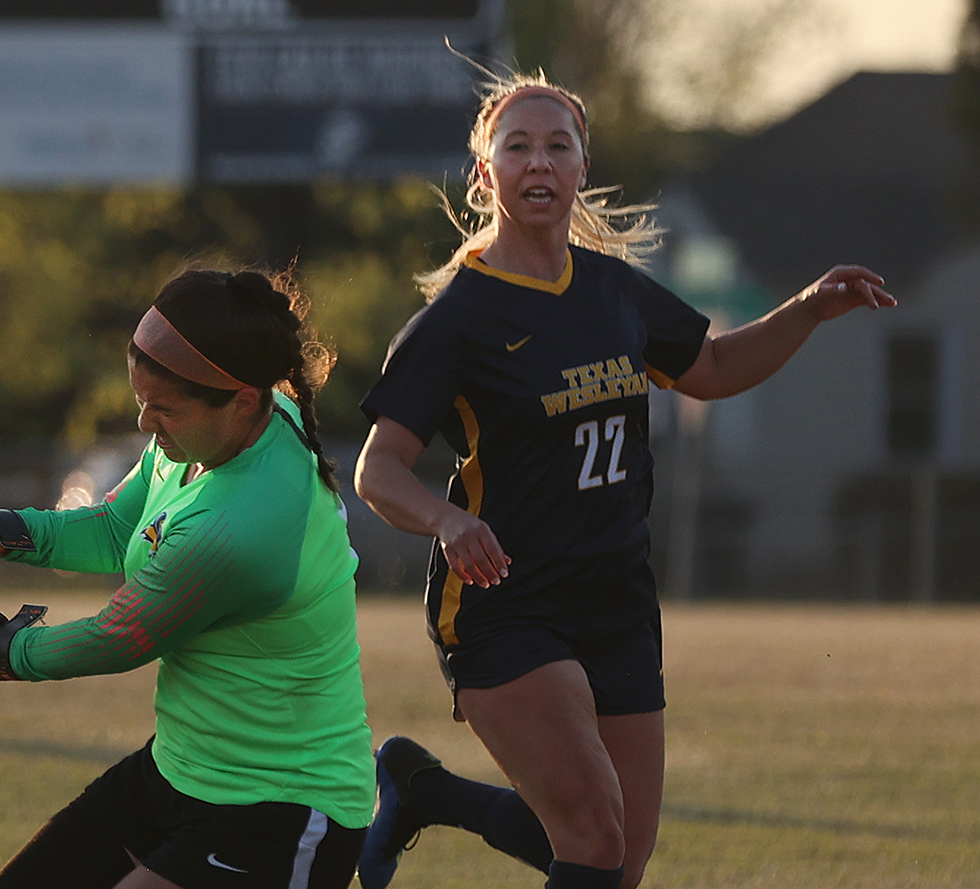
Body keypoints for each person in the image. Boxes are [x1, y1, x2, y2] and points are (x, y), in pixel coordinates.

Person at [351, 72, 895, 889]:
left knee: (620, 859)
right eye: (518, 146)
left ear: (581, 167)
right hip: (508, 601)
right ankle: (422, 789)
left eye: (558, 145)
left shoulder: (611, 289)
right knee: (594, 835)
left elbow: (712, 368)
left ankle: (424, 791)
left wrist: (807, 309)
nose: (540, 161)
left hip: (616, 597)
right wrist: (447, 521)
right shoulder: (460, 318)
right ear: (486, 174)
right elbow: (377, 468)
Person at [0, 268, 375, 889]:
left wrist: (1, 652)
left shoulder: (242, 526)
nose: (145, 424)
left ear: (242, 401)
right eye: (141, 401)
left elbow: (121, 635)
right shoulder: (217, 433)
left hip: (282, 807)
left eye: (164, 409)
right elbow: (113, 529)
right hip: (178, 771)